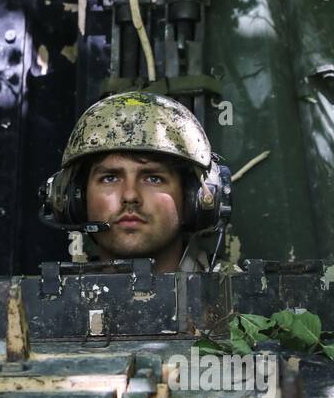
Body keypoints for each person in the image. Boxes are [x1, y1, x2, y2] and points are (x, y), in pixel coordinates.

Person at [57, 90, 224, 273]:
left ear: (193, 198)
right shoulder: (42, 299)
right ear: (77, 199)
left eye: (153, 178)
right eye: (110, 178)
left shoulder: (235, 297)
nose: (130, 195)